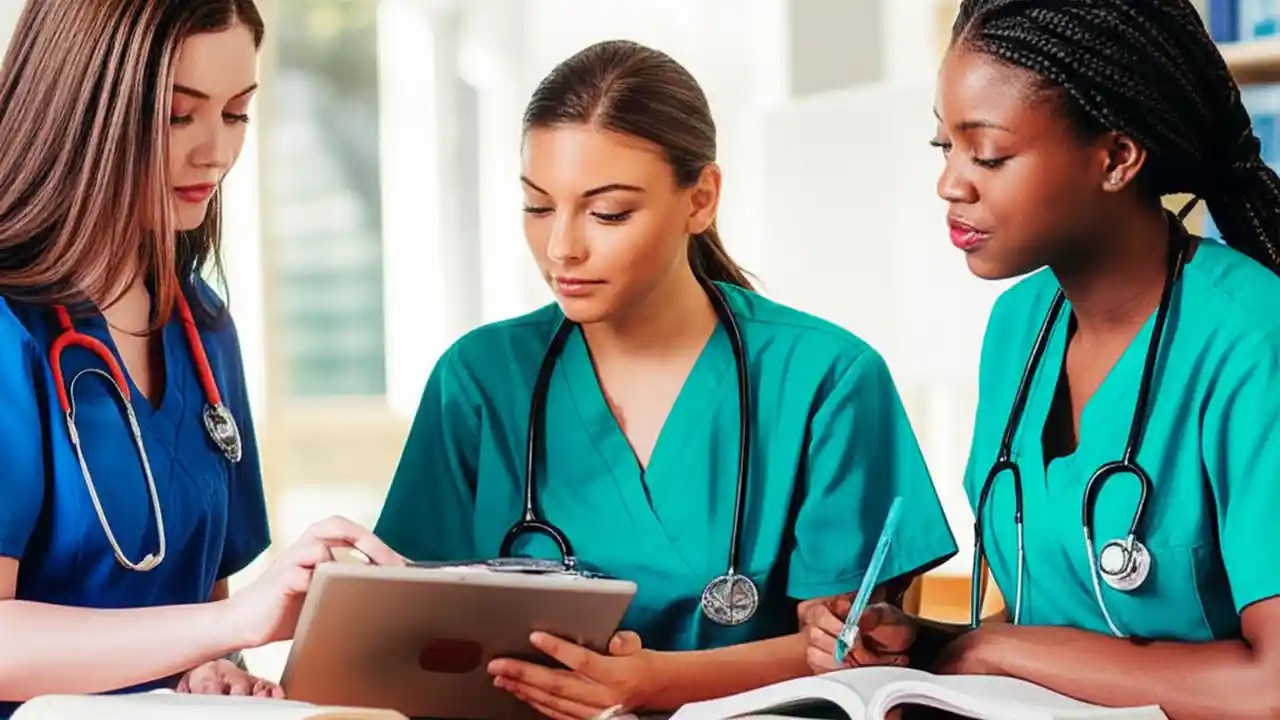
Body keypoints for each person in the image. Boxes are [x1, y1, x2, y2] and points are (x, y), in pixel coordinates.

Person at [374, 39, 958, 719]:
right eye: (538, 207)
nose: (563, 246)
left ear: (701, 198)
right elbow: (408, 640)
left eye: (608, 212)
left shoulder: (825, 379)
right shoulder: (478, 381)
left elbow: (852, 652)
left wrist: (654, 682)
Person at [804, 1, 1280, 718]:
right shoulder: (1019, 327)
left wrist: (995, 651)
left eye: (988, 154)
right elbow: (1068, 625)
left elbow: (1270, 683)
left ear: (1117, 157)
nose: (951, 184)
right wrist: (919, 646)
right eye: (945, 148)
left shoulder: (1251, 337)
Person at [0, 2, 402, 714]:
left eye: (237, 113)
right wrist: (231, 622)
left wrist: (218, 666)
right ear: (81, 107)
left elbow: (199, 620)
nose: (215, 151)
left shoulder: (200, 326)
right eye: (178, 116)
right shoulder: (11, 330)